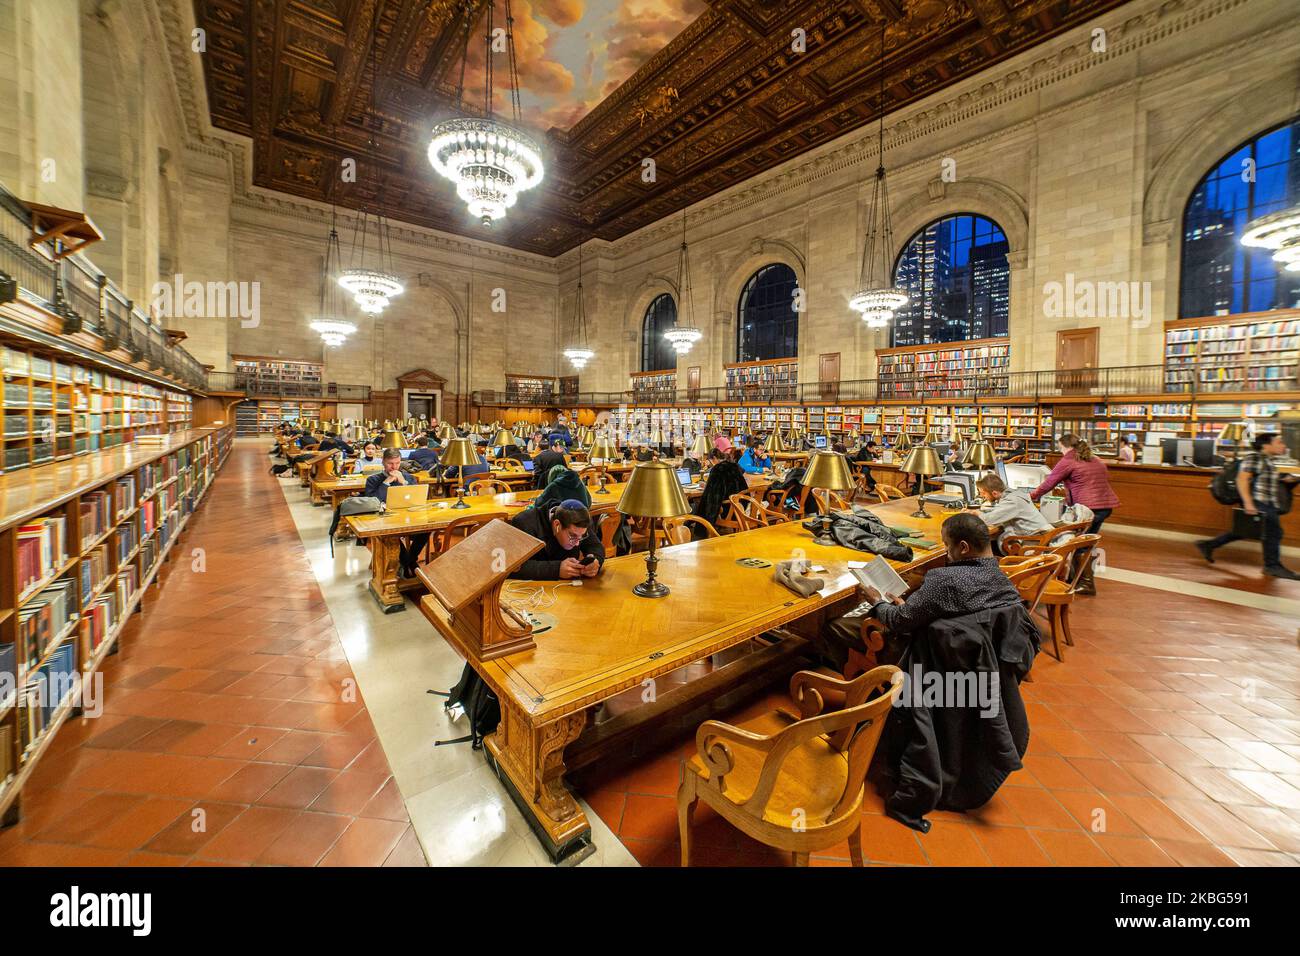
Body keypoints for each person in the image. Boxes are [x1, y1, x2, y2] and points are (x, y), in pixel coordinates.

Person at [826, 513, 1022, 663]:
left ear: (963, 548)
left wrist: (876, 601)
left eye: (947, 545)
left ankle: (854, 683)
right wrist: (909, 606)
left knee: (834, 626)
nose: (946, 551)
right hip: (976, 658)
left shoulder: (944, 581)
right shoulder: (1003, 579)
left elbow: (898, 621)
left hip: (928, 655)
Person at [1197, 432, 1299, 580]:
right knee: (1273, 533)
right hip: (1260, 502)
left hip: (1267, 502)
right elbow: (1242, 479)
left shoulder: (1268, 460)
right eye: (1279, 442)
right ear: (1266, 445)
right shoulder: (1254, 458)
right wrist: (1248, 503)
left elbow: (1265, 479)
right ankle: (1272, 566)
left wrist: (1289, 479)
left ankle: (1208, 545)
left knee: (1244, 530)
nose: (1283, 445)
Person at [1029, 434, 1118, 595]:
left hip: (1088, 508)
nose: (1060, 451)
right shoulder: (1094, 458)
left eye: (1060, 448)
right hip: (1104, 506)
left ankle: (1085, 583)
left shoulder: (1068, 460)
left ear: (1065, 446)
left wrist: (1029, 497)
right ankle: (1079, 579)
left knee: (1078, 544)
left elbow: (1049, 483)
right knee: (1086, 542)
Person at [364, 449, 429, 578]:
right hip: (384, 519)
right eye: (390, 463)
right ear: (383, 462)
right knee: (390, 534)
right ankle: (411, 564)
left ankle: (408, 561)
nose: (394, 467)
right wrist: (386, 482)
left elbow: (415, 499)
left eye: (397, 463)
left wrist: (403, 482)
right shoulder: (373, 480)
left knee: (426, 529)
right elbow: (374, 501)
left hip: (408, 516)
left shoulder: (409, 478)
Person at [509, 501, 604, 580]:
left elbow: (595, 546)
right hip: (529, 593)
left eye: (582, 536)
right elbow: (512, 568)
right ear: (557, 525)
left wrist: (595, 561)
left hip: (569, 592)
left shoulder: (579, 520)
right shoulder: (524, 523)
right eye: (573, 536)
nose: (577, 543)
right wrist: (556, 569)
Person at [974, 473, 1053, 554]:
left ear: (994, 493)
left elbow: (989, 520)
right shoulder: (1014, 495)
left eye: (983, 493)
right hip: (1040, 537)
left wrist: (977, 514)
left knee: (991, 543)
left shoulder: (1011, 501)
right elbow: (1000, 511)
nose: (982, 496)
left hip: (1036, 543)